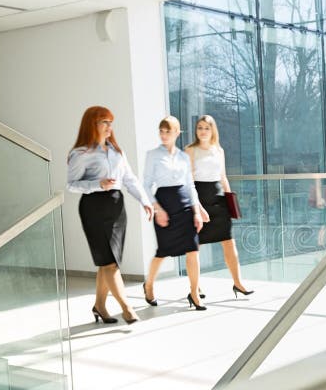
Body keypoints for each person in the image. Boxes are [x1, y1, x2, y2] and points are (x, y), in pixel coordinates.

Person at [66, 105, 153, 325]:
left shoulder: (116, 152)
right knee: (111, 263)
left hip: (116, 208)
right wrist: (98, 184)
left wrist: (145, 201)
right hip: (93, 208)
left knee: (107, 263)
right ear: (92, 125)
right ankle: (127, 308)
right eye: (104, 122)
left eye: (110, 122)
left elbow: (130, 179)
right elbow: (71, 185)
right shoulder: (80, 153)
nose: (109, 127)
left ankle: (100, 306)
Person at [142, 116, 206, 310]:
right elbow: (145, 185)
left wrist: (196, 211)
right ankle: (149, 284)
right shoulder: (152, 155)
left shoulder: (184, 157)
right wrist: (157, 208)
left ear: (177, 132)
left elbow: (191, 186)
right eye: (161, 131)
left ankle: (194, 293)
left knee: (193, 250)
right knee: (162, 252)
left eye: (168, 131)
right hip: (164, 206)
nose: (164, 134)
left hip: (185, 205)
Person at [186, 115, 253, 298]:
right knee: (195, 247)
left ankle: (238, 283)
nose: (203, 131)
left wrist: (231, 202)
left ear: (213, 130)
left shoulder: (219, 150)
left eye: (207, 128)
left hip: (219, 201)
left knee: (229, 242)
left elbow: (223, 177)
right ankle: (195, 288)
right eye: (200, 127)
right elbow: (189, 181)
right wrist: (197, 208)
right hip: (199, 199)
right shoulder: (190, 150)